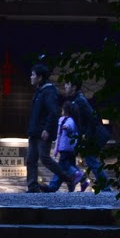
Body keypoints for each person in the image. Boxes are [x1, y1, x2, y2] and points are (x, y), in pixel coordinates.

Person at [26, 62, 79, 192]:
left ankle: (68, 177)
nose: (30, 77)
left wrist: (47, 129)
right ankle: (32, 186)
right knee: (31, 159)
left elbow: (53, 111)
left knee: (45, 158)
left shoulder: (48, 92)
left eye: (33, 75)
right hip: (35, 131)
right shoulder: (40, 92)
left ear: (40, 77)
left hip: (43, 131)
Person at [67, 78, 112, 191]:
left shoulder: (80, 100)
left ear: (74, 87)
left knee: (91, 161)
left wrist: (86, 135)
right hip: (86, 136)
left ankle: (106, 187)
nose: (65, 87)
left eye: (67, 84)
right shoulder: (77, 100)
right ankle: (105, 187)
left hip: (89, 137)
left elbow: (93, 118)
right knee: (90, 160)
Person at [53, 95, 87, 192]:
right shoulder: (73, 120)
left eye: (62, 111)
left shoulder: (68, 120)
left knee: (64, 164)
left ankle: (79, 175)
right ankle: (81, 182)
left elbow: (69, 126)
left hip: (65, 147)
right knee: (69, 164)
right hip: (70, 148)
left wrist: (65, 127)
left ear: (66, 111)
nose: (61, 112)